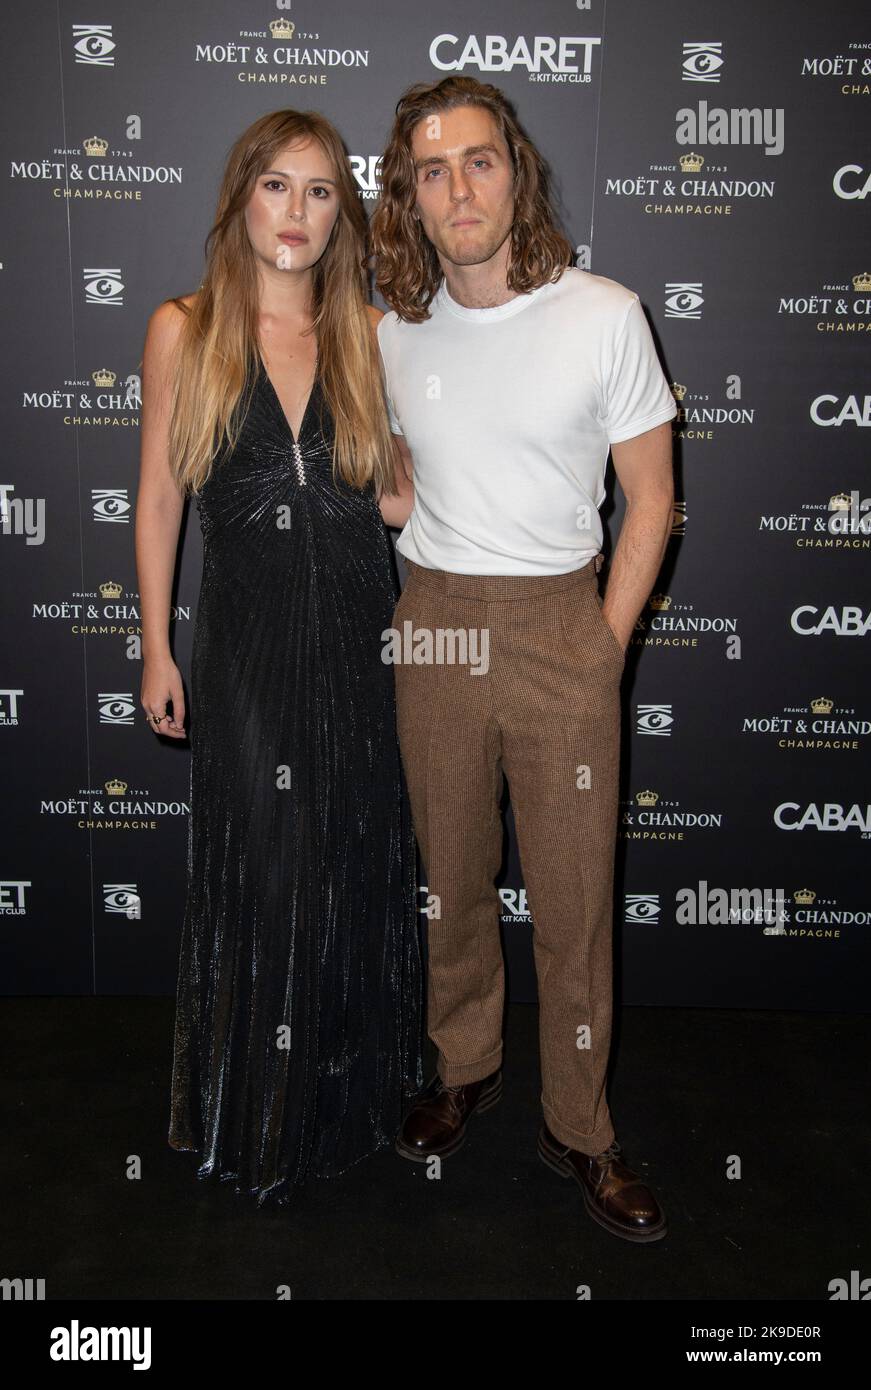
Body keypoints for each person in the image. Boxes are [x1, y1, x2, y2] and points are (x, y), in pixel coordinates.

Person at [371, 76, 677, 1242]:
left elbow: (651, 499)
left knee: (574, 903)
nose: (459, 187)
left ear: (518, 172)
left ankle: (581, 1123)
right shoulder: (390, 330)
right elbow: (401, 499)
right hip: (437, 618)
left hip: (562, 623)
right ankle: (466, 1066)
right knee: (451, 876)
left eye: (479, 161)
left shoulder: (602, 312)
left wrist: (598, 646)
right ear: (409, 195)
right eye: (433, 169)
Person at [135, 109, 423, 1207]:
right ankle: (254, 1110)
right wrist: (157, 643)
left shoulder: (368, 330)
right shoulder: (185, 326)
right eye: (274, 186)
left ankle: (343, 1102)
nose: (295, 212)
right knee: (265, 863)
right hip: (247, 639)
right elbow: (161, 495)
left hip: (359, 631)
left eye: (316, 192)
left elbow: (395, 500)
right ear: (240, 198)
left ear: (338, 212)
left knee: (350, 853)